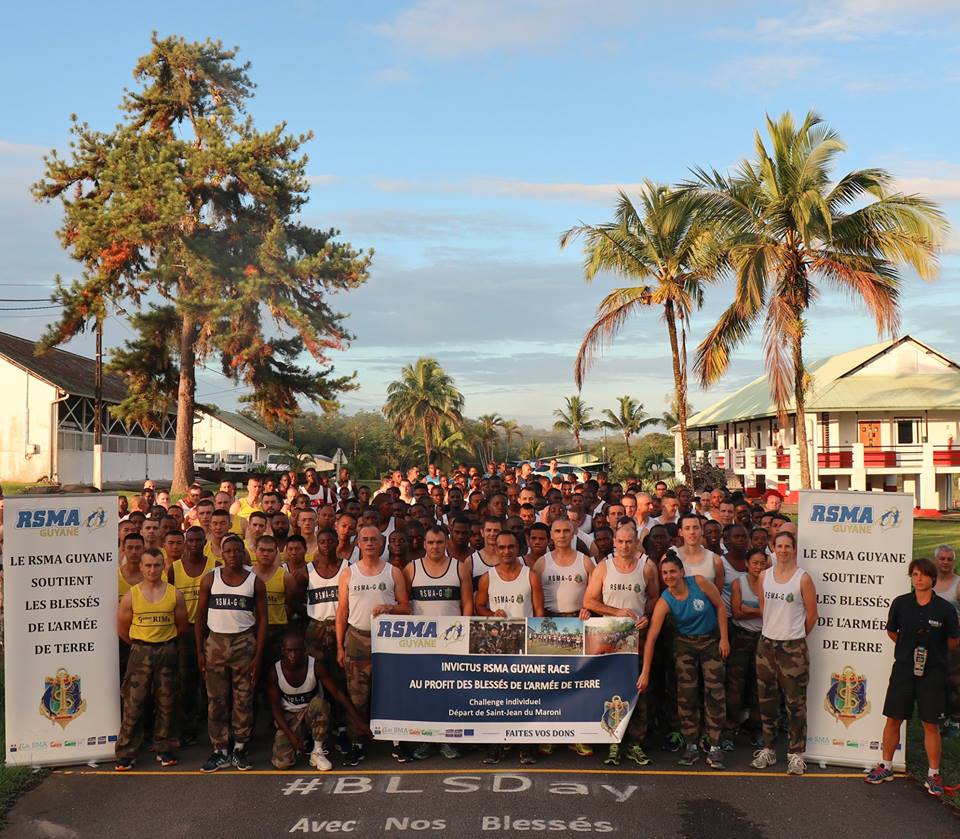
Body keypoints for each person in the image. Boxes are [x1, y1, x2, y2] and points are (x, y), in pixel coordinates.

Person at [866, 558, 960, 795]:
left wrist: (933, 654)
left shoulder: (945, 609)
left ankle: (933, 774)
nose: (919, 578)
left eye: (923, 575)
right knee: (893, 718)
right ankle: (885, 766)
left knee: (931, 724)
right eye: (915, 574)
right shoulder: (901, 604)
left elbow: (953, 640)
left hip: (933, 674)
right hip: (904, 670)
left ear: (933, 579)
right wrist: (908, 648)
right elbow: (891, 630)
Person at [638, 554, 729, 769]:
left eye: (673, 571)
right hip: (685, 644)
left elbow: (720, 607)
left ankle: (715, 746)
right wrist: (645, 672)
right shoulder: (665, 600)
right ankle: (690, 745)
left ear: (682, 572)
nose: (669, 576)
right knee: (686, 696)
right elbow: (651, 638)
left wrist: (724, 638)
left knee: (714, 693)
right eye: (665, 573)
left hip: (710, 641)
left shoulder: (699, 582)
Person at [583, 524, 659, 767]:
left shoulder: (647, 567)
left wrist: (646, 616)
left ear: (636, 542)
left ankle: (635, 743)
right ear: (614, 542)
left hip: (637, 638)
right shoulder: (604, 567)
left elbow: (654, 597)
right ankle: (612, 743)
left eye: (629, 542)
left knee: (638, 691)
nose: (625, 546)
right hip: (609, 638)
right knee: (610, 692)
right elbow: (589, 600)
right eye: (621, 541)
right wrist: (617, 612)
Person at [336, 525, 411, 766]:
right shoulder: (349, 573)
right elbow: (342, 611)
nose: (369, 543)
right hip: (356, 638)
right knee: (357, 696)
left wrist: (388, 608)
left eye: (374, 540)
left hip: (387, 641)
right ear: (358, 544)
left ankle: (397, 742)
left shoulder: (393, 572)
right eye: (365, 540)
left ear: (382, 544)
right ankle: (357, 743)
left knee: (390, 692)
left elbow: (406, 607)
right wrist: (340, 645)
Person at [194, 534, 268, 772]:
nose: (233, 555)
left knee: (243, 699)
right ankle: (220, 749)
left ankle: (239, 748)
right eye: (229, 551)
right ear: (221, 554)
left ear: (243, 553)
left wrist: (258, 655)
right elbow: (199, 618)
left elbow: (264, 620)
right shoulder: (210, 579)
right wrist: (200, 652)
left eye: (238, 551)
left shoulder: (254, 581)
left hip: (244, 643)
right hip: (215, 643)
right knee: (216, 700)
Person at [750, 530, 818, 776]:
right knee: (766, 701)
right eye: (779, 546)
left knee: (795, 704)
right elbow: (763, 607)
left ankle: (796, 754)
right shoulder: (764, 576)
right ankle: (768, 749)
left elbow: (812, 616)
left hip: (793, 648)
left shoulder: (803, 579)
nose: (783, 550)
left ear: (794, 549)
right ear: (773, 548)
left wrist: (794, 637)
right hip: (766, 646)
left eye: (788, 546)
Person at [403, 526, 473, 761]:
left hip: (452, 643)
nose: (435, 547)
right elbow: (403, 606)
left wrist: (464, 635)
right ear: (424, 544)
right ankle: (425, 739)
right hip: (420, 645)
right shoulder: (411, 569)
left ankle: (447, 739)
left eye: (440, 542)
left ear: (447, 543)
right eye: (431, 542)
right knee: (424, 693)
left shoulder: (459, 567)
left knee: (449, 693)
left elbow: (467, 603)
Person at [115, 548, 188, 770]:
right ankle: (127, 751)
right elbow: (122, 629)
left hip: (167, 651)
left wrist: (164, 642)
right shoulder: (131, 595)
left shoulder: (175, 594)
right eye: (148, 565)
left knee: (167, 702)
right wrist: (142, 644)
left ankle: (164, 748)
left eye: (157, 565)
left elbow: (181, 626)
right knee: (133, 703)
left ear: (163, 566)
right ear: (141, 567)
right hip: (140, 651)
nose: (152, 570)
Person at [475, 530, 544, 766]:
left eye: (510, 547)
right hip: (497, 648)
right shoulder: (487, 577)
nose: (506, 551)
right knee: (497, 698)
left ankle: (526, 747)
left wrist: (537, 646)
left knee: (525, 698)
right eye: (501, 547)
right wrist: (491, 614)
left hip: (524, 646)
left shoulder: (530, 576)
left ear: (518, 548)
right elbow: (479, 606)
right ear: (495, 549)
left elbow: (539, 612)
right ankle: (495, 746)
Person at [268, 630, 371, 771]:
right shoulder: (275, 672)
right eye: (289, 651)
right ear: (283, 651)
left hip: (312, 711)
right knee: (282, 763)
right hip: (290, 715)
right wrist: (291, 736)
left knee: (320, 704)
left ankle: (317, 751)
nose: (293, 655)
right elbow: (275, 709)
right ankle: (299, 741)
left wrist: (359, 722)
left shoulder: (315, 666)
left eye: (297, 651)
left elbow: (337, 693)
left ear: (304, 651)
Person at [168, 526, 217, 745]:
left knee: (212, 681)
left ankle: (211, 725)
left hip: (211, 628)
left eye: (199, 540)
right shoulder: (175, 568)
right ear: (186, 542)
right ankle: (188, 726)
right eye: (191, 541)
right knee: (186, 680)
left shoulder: (214, 566)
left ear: (204, 541)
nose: (195, 545)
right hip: (185, 630)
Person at [722, 547, 766, 749]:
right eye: (755, 562)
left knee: (760, 687)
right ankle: (729, 732)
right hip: (741, 638)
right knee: (735, 688)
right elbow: (737, 613)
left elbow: (772, 613)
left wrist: (751, 609)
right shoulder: (739, 582)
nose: (758, 566)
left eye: (762, 563)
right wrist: (760, 611)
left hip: (763, 639)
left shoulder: (770, 583)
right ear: (747, 564)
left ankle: (757, 731)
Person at [933, 544, 960, 738]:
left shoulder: (958, 584)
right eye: (942, 558)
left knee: (954, 681)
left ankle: (956, 720)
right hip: (932, 641)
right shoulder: (928, 581)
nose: (945, 562)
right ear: (936, 560)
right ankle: (939, 718)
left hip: (953, 640)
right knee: (935, 682)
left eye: (949, 559)